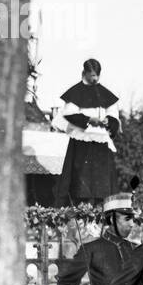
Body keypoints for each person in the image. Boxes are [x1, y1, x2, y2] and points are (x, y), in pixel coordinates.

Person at [55, 58, 120, 206]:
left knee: (102, 185)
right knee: (80, 183)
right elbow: (69, 113)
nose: (95, 79)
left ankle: (100, 211)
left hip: (100, 144)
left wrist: (108, 121)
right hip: (81, 141)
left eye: (97, 75)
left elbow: (114, 114)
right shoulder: (75, 92)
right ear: (84, 73)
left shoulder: (105, 92)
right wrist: (89, 120)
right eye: (92, 75)